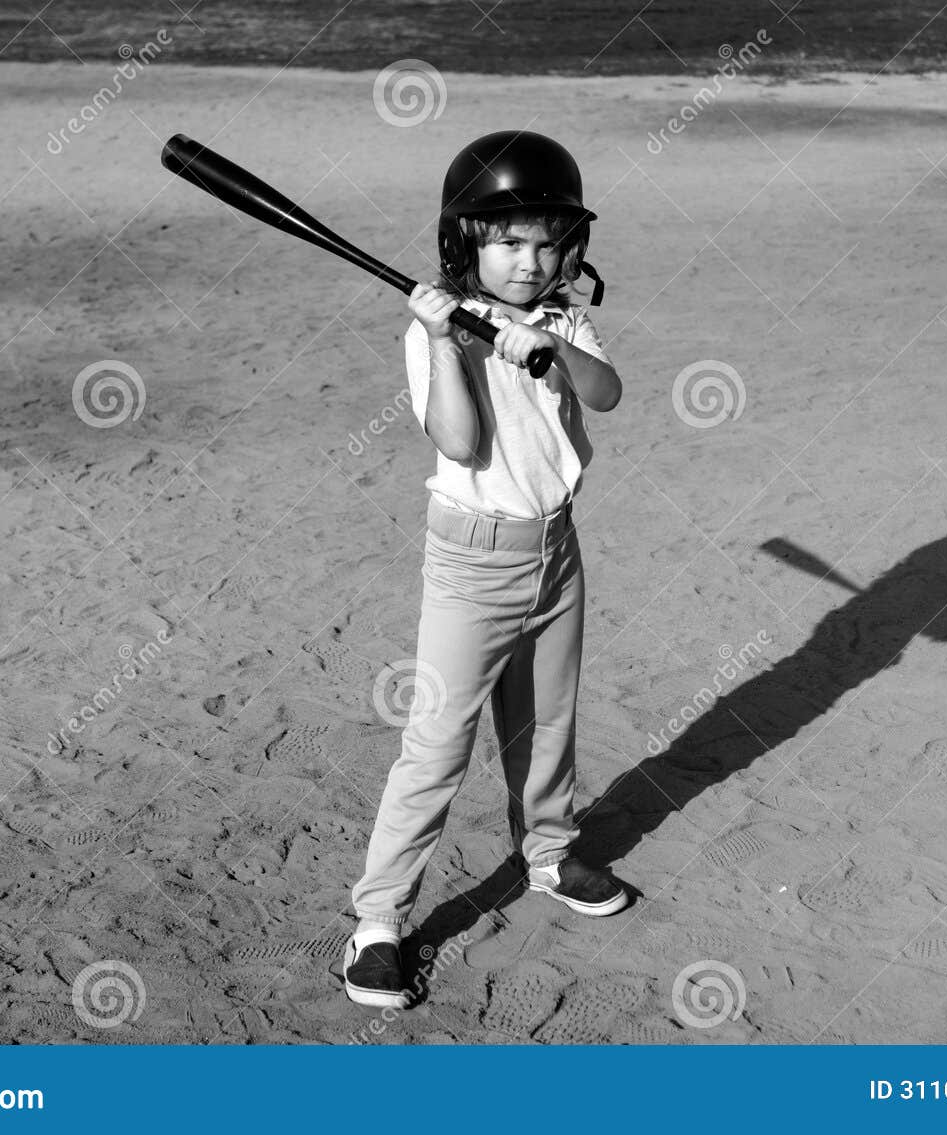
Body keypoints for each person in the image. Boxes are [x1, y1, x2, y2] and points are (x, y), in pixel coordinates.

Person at [344, 130, 626, 1009]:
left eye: (546, 243)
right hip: (473, 561)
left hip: (557, 551)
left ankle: (547, 853)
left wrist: (547, 346)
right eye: (507, 241)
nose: (528, 261)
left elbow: (608, 392)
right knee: (436, 744)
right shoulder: (434, 332)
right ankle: (379, 921)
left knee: (546, 722)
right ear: (464, 239)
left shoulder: (564, 322)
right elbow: (460, 440)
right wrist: (451, 343)